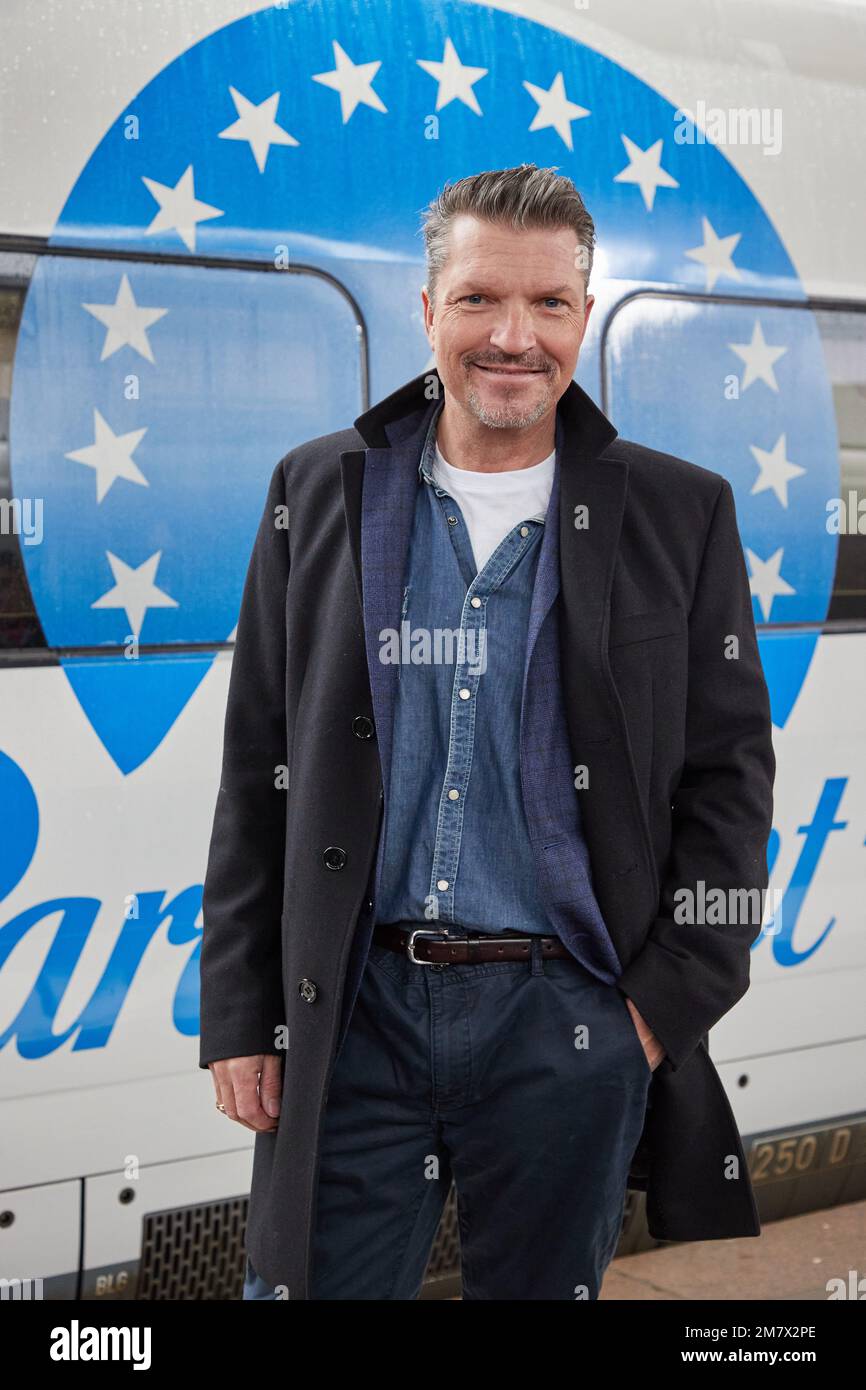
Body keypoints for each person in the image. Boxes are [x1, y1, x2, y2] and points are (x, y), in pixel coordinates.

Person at [198, 163, 775, 1301]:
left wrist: (656, 1011)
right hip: (353, 1012)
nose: (514, 336)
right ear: (427, 310)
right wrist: (239, 1010)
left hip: (570, 1018)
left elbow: (729, 780)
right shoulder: (318, 488)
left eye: (548, 302)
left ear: (583, 316)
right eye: (478, 299)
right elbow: (257, 764)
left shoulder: (681, 510)